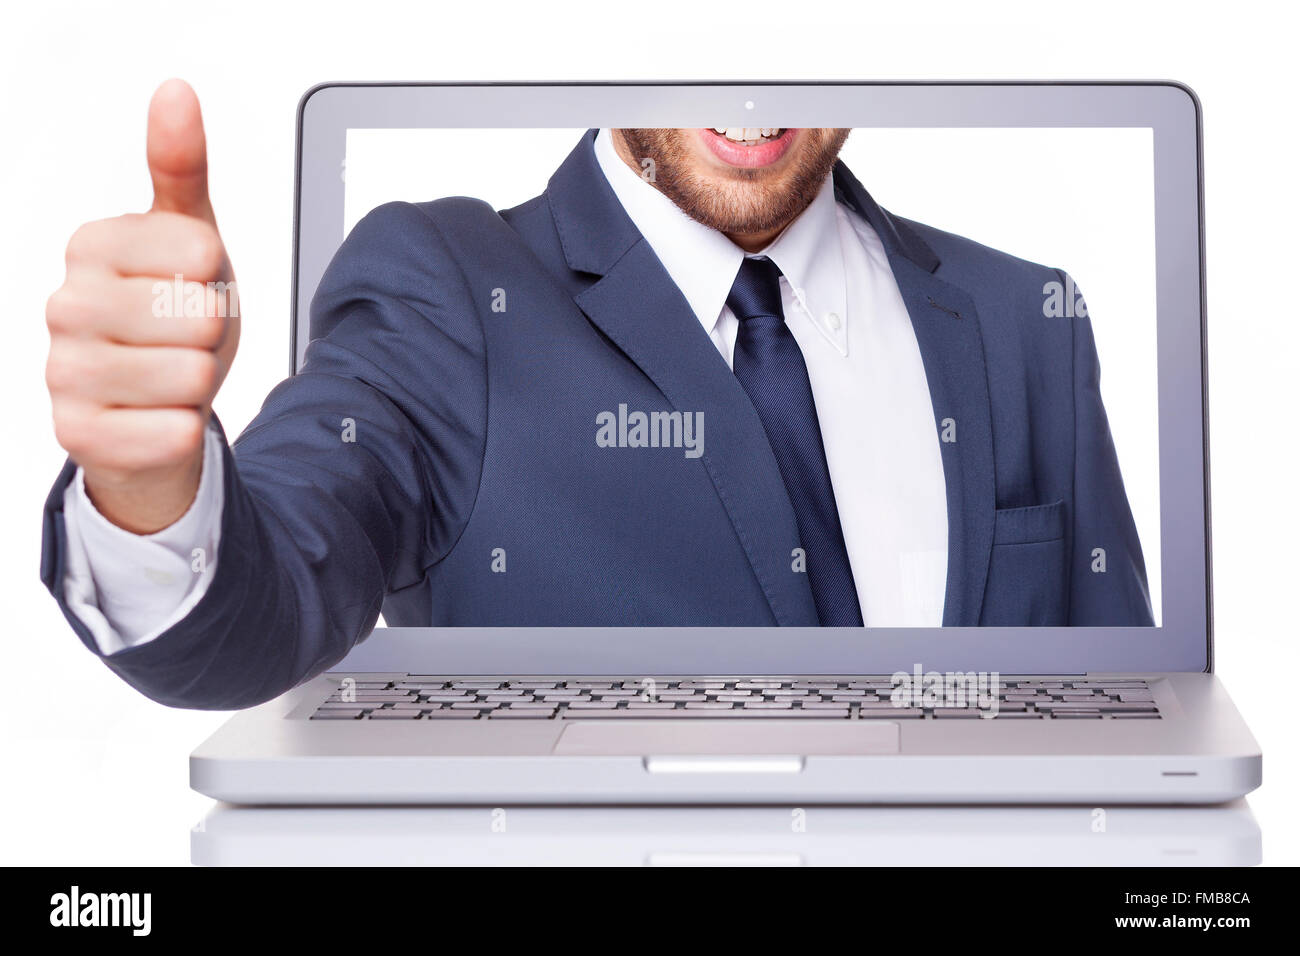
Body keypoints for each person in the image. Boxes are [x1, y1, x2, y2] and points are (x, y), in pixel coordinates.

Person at [41, 80, 1152, 709]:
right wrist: (155, 489)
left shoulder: (1020, 318)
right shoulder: (448, 288)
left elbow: (1120, 724)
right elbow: (272, 598)